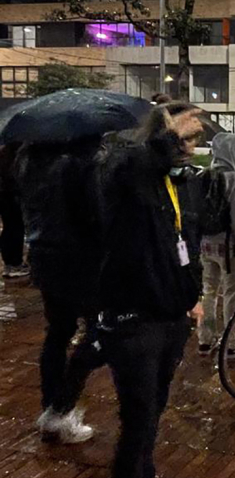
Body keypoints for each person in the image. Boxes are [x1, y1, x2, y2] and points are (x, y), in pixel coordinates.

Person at [96, 102, 206, 478]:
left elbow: (188, 243)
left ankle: (145, 468)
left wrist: (196, 295)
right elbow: (127, 171)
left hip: (173, 315)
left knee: (154, 406)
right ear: (161, 134)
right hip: (134, 317)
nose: (190, 147)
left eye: (193, 140)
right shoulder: (126, 171)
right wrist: (166, 137)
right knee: (138, 413)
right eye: (184, 138)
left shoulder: (182, 184)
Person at [16, 135, 105, 443]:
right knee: (102, 333)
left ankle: (52, 406)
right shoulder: (79, 164)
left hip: (43, 256)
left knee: (58, 333)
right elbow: (95, 216)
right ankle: (60, 409)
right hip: (80, 262)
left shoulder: (27, 161)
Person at [197, 133, 235, 356]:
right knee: (232, 294)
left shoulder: (202, 175)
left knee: (208, 291)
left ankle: (205, 339)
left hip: (205, 245)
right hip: (231, 247)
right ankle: (232, 343)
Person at [0, 143, 28, 279]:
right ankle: (14, 263)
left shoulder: (5, 151)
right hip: (10, 195)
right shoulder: (12, 154)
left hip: (5, 194)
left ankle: (10, 263)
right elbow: (11, 176)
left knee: (10, 228)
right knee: (15, 228)